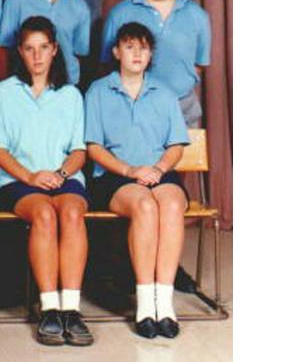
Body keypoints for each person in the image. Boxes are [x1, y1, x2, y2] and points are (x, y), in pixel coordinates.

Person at [0, 16, 92, 347]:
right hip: (19, 180)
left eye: (43, 48)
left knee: (71, 213)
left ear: (55, 50)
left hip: (63, 177)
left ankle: (71, 310)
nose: (37, 56)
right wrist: (31, 176)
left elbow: (78, 151)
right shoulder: (2, 93)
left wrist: (59, 174)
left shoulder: (71, 94)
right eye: (29, 49)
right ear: (20, 51)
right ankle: (49, 309)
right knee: (44, 215)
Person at [85, 22, 191, 340]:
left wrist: (158, 169)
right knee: (145, 206)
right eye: (129, 47)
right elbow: (93, 147)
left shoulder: (164, 93)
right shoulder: (99, 91)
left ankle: (165, 303)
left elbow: (176, 146)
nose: (136, 53)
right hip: (117, 177)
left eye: (143, 47)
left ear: (150, 54)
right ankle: (145, 305)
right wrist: (130, 170)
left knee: (171, 204)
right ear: (117, 52)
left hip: (158, 173)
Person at [100, 0, 211, 128]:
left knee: (187, 156)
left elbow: (199, 64)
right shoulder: (120, 14)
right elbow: (107, 64)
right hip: (133, 106)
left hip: (183, 107)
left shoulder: (197, 15)